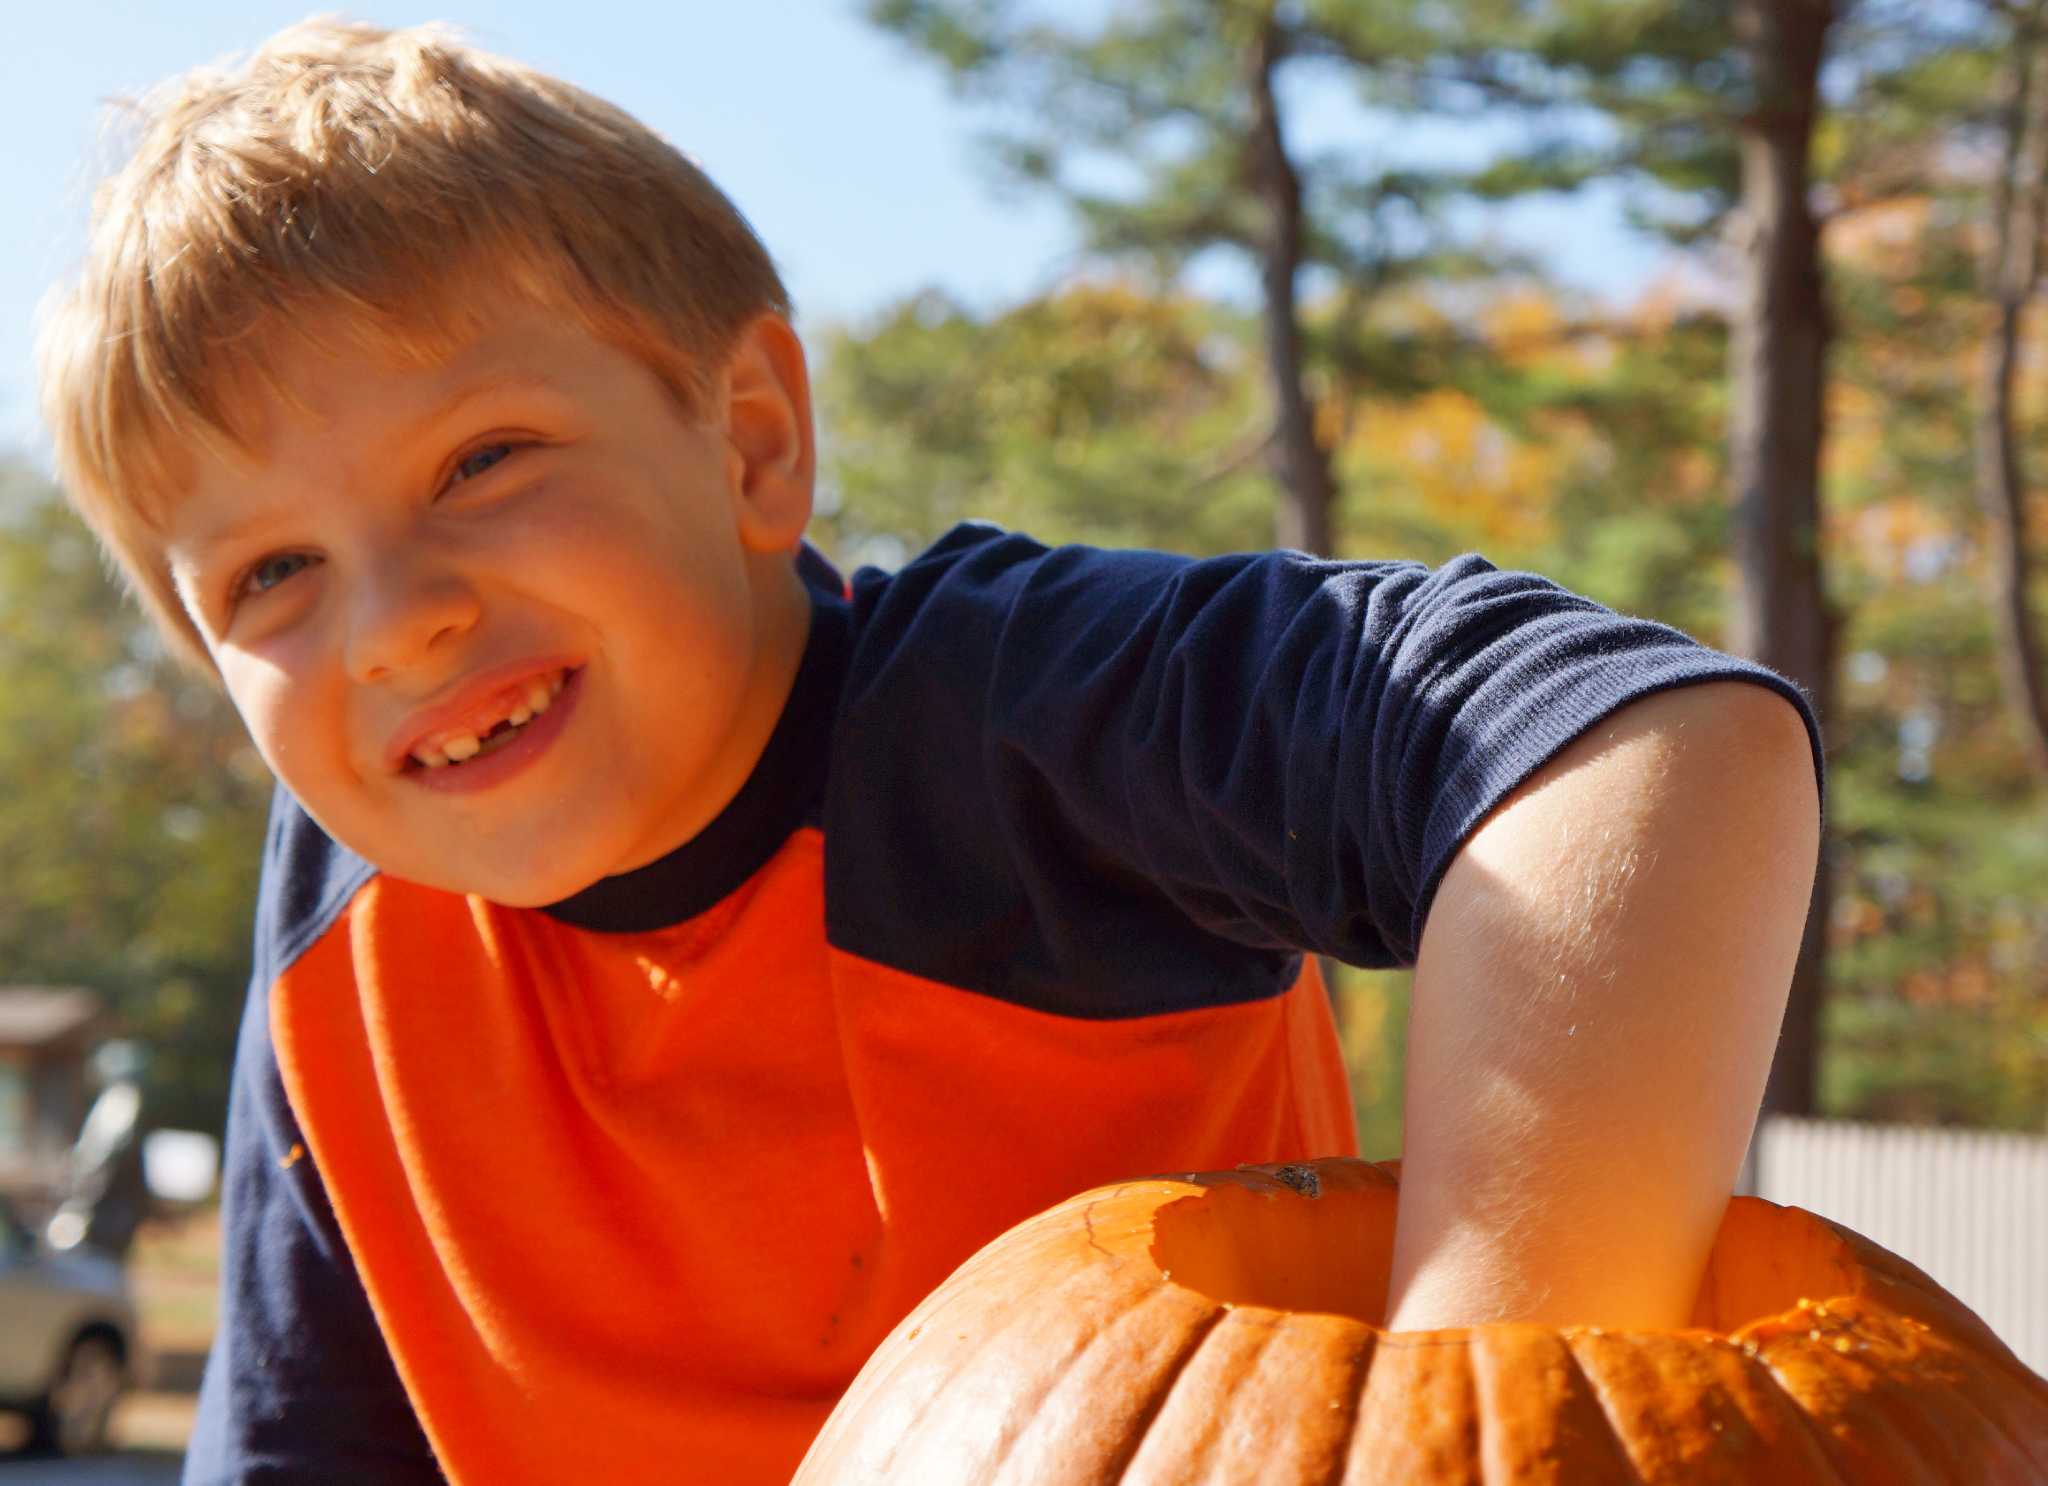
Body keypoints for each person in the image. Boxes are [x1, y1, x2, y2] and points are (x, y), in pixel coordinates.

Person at [36, 19, 1823, 1486]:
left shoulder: (1014, 723)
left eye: (482, 459)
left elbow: (1653, 745)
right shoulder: (345, 932)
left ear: (750, 445)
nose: (395, 619)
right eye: (269, 572)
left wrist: (1482, 1408)